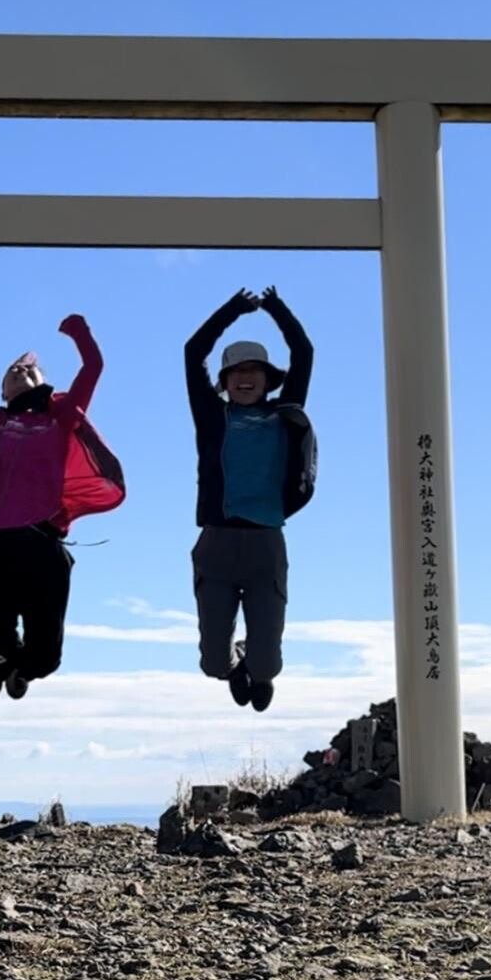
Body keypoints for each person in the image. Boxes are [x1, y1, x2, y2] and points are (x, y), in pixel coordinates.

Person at [0, 309, 125, 762]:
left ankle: (25, 668)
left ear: (44, 385)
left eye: (29, 370)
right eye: (13, 371)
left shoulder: (61, 421)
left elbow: (93, 368)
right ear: (2, 390)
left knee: (46, 658)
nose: (21, 372)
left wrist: (77, 329)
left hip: (44, 547)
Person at [184, 286, 316, 711]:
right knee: (212, 665)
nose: (245, 376)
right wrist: (235, 310)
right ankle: (235, 666)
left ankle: (257, 669)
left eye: (255, 370)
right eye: (236, 371)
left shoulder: (285, 412)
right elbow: (193, 351)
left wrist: (276, 306)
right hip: (217, 545)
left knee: (268, 664)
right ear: (223, 382)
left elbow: (303, 351)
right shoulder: (212, 417)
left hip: (266, 545)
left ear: (267, 379)